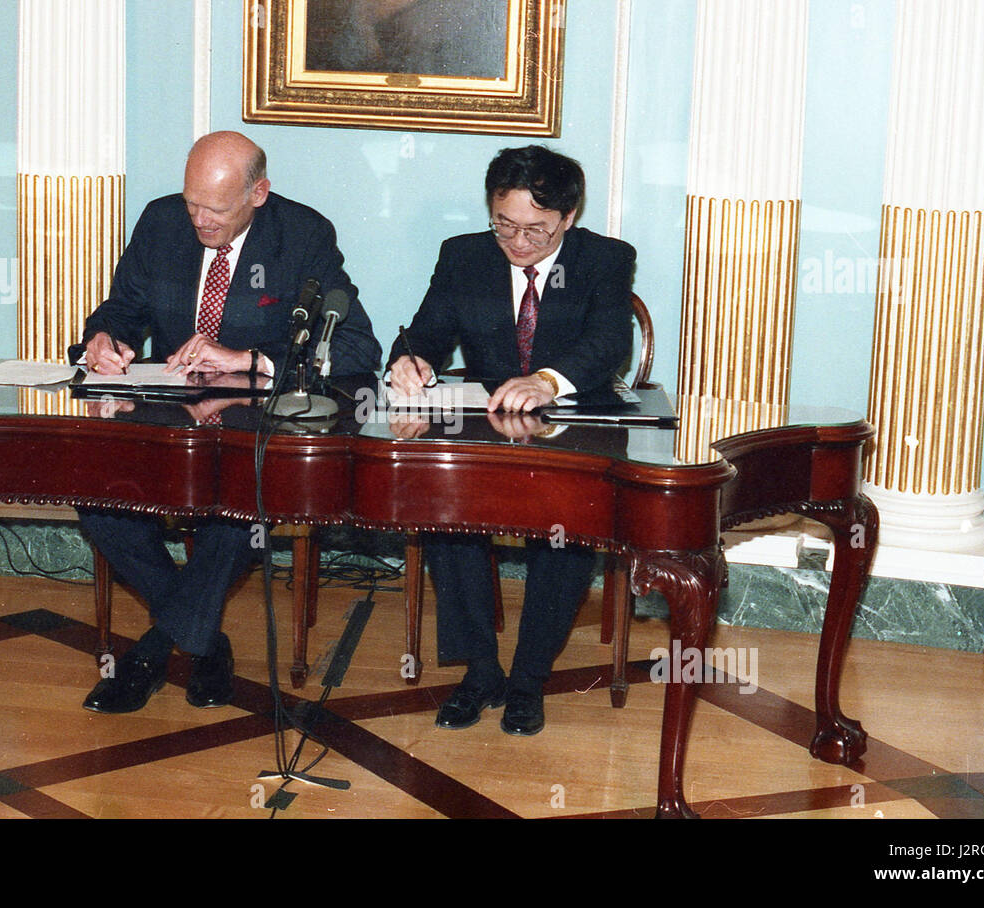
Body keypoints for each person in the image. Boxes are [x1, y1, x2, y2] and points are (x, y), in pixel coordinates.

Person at [72, 131, 382, 714]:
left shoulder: (303, 236)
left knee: (235, 517)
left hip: (251, 430)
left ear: (258, 193)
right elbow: (122, 308)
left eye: (214, 208)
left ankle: (152, 654)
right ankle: (204, 642)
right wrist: (104, 339)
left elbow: (360, 348)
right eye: (191, 203)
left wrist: (249, 359)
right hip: (166, 420)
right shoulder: (162, 223)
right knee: (98, 503)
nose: (198, 220)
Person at [386, 145, 635, 736]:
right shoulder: (464, 256)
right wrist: (410, 360)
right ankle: (480, 671)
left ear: (568, 218)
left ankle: (528, 679)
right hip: (489, 430)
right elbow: (424, 332)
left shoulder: (604, 260)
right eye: (505, 226)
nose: (518, 244)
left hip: (573, 427)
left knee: (568, 530)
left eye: (536, 230)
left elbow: (607, 345)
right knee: (444, 513)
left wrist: (547, 380)